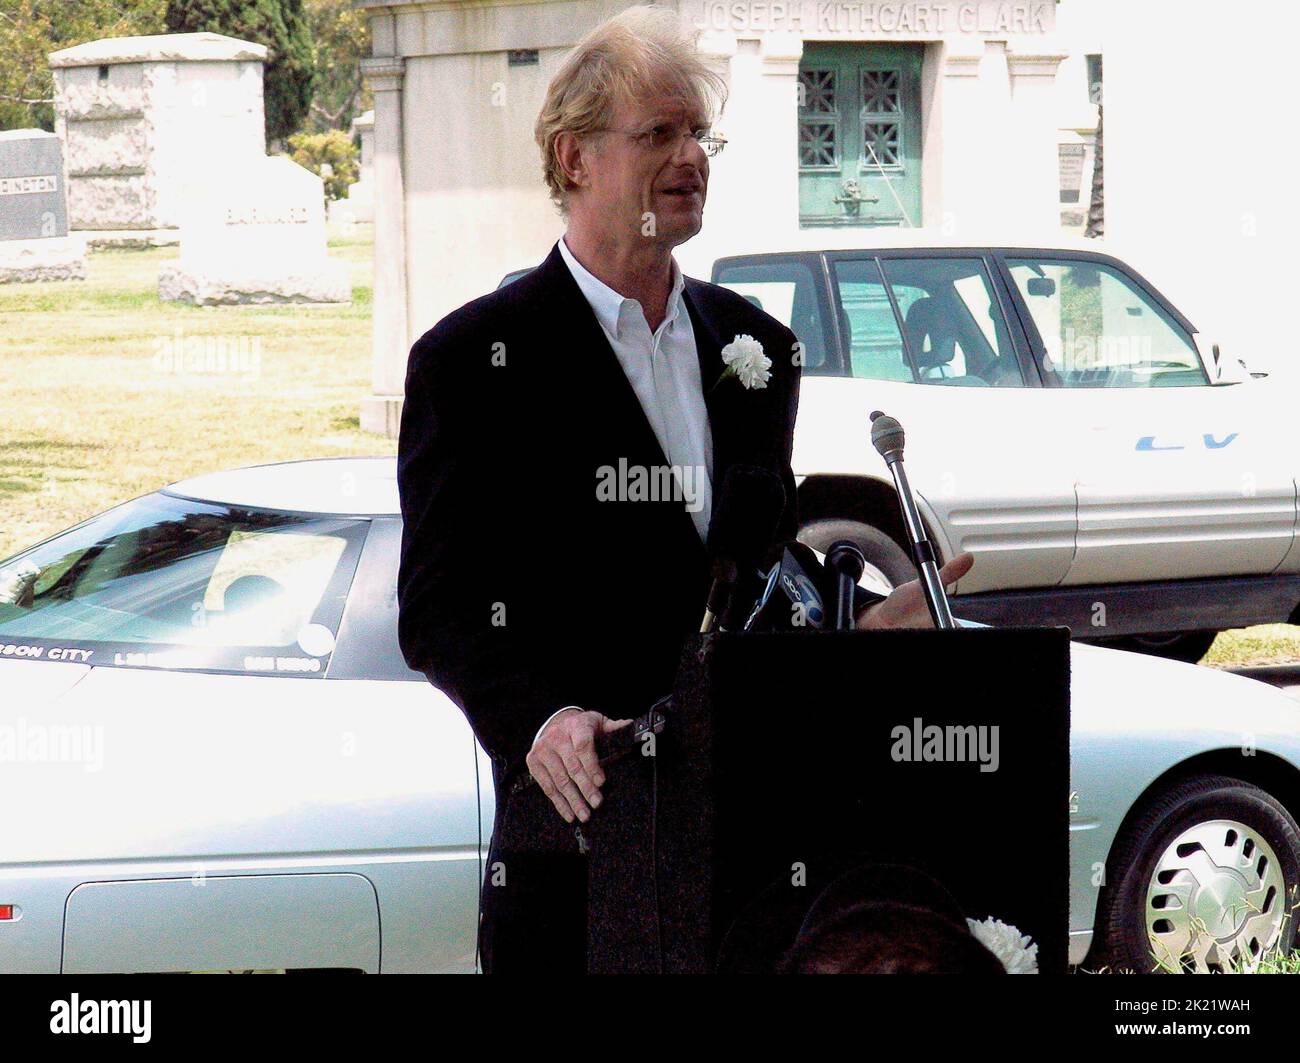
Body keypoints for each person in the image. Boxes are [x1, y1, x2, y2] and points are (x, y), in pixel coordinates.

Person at [395, 5, 975, 973]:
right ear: (574, 157)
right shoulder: (474, 360)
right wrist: (540, 719)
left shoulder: (755, 345)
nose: (689, 158)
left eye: (697, 134)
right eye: (656, 133)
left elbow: (753, 563)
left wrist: (849, 640)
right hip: (586, 830)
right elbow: (440, 607)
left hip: (753, 841)